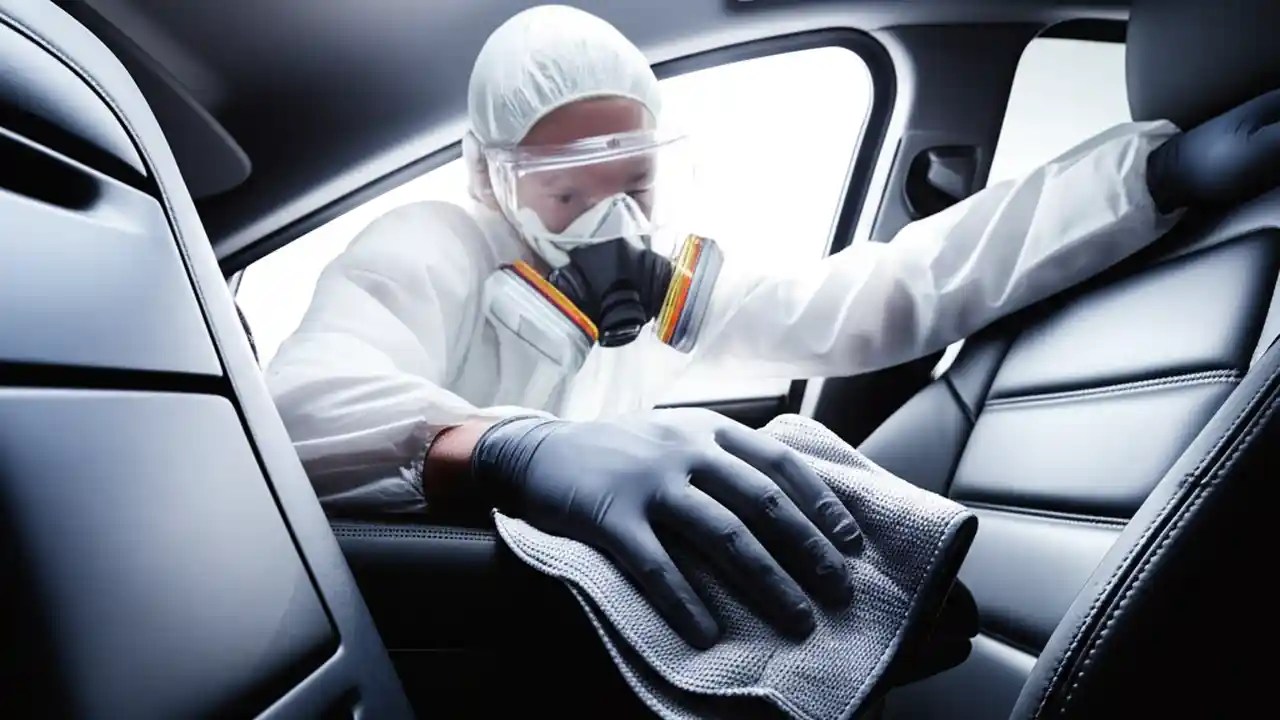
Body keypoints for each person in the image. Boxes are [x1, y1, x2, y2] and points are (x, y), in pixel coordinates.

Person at [266, 5, 1280, 651]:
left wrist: (1142, 177)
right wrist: (509, 451)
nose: (610, 219)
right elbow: (299, 410)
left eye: (635, 182)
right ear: (493, 176)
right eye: (566, 189)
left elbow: (882, 291)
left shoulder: (653, 286)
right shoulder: (436, 243)